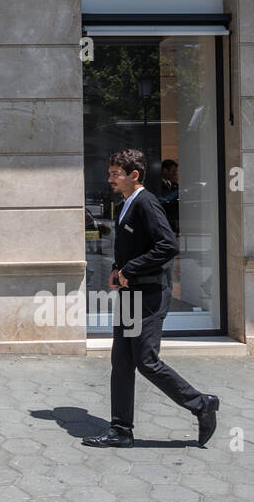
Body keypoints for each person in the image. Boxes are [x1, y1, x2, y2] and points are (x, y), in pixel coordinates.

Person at [82, 149, 219, 449]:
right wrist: (119, 269)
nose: (110, 179)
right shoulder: (126, 204)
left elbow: (167, 245)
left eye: (115, 174)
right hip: (131, 296)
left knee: (146, 362)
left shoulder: (146, 203)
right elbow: (134, 245)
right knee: (121, 361)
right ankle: (120, 430)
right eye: (110, 173)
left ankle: (201, 404)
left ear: (134, 175)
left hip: (149, 296)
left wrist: (130, 268)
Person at [158, 158, 180, 237]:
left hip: (171, 221)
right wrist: (174, 184)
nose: (175, 175)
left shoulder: (169, 184)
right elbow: (168, 199)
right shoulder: (159, 184)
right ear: (165, 170)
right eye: (173, 172)